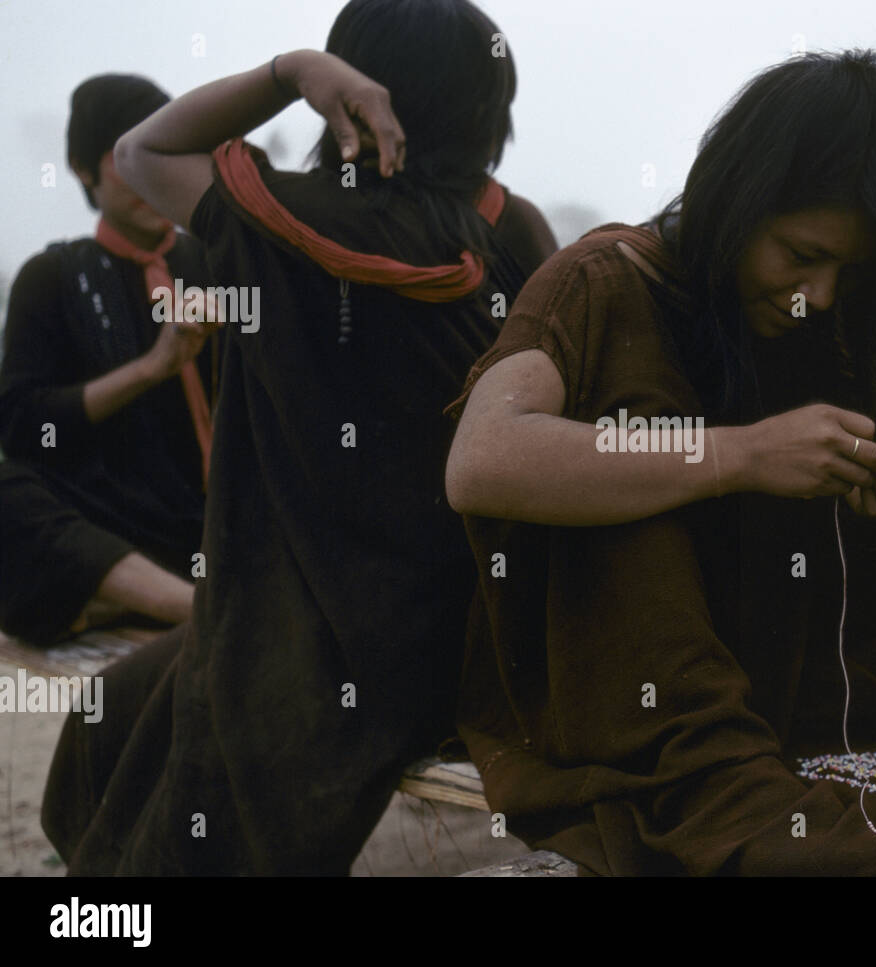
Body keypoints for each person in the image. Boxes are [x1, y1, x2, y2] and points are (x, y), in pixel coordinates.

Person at [446, 50, 876, 876]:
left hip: (786, 672)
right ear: (736, 203)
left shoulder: (832, 315)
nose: (818, 295)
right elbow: (482, 459)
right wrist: (742, 456)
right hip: (624, 682)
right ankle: (714, 778)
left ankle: (764, 751)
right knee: (632, 449)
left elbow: (863, 587)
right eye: (799, 255)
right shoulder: (603, 281)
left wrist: (861, 500)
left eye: (848, 271)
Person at [42, 0, 556, 874]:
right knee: (119, 707)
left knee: (164, 778)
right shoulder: (508, 235)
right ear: (488, 111)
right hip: (454, 633)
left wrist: (289, 72)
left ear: (350, 99)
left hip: (293, 623)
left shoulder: (277, 223)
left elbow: (141, 150)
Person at [0, 74, 215, 646]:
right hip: (120, 528)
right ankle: (197, 609)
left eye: (159, 153)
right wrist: (151, 367)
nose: (148, 176)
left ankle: (127, 601)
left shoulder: (218, 261)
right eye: (124, 156)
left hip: (228, 515)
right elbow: (24, 426)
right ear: (81, 169)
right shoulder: (53, 277)